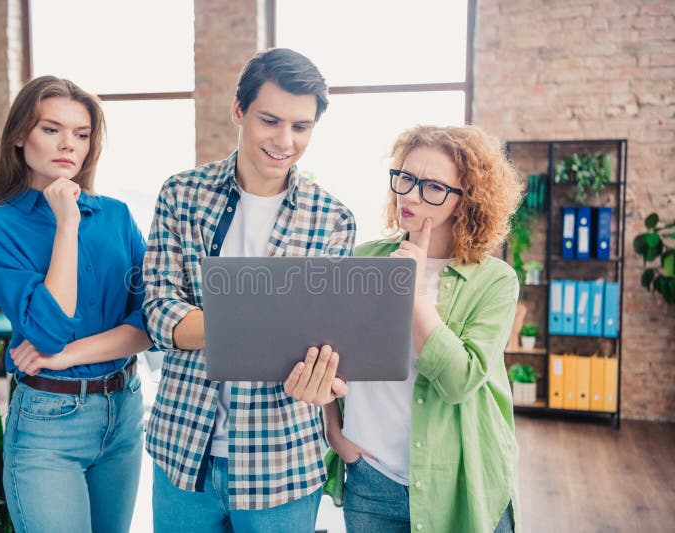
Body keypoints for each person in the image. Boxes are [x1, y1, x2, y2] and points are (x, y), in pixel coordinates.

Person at [142, 48, 355, 532]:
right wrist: (267, 327)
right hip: (181, 452)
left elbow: (329, 340)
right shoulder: (182, 195)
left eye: (301, 127)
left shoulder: (332, 219)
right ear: (239, 111)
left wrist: (327, 378)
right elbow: (157, 312)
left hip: (281, 460)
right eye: (270, 120)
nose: (285, 140)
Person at [0, 75, 152, 533]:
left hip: (124, 412)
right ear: (18, 136)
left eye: (82, 134)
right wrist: (66, 225)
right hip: (50, 424)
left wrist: (68, 355)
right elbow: (48, 329)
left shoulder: (116, 215)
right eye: (51, 129)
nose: (69, 144)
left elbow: (153, 323)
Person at [323, 125, 523, 532]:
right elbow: (324, 350)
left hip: (460, 482)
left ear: (467, 199)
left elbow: (460, 380)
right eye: (406, 178)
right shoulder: (360, 260)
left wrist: (410, 294)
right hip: (371, 480)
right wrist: (334, 431)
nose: (411, 195)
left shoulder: (495, 281)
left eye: (433, 187)